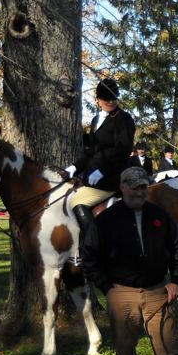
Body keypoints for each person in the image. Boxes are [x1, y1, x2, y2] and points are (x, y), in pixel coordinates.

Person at [82, 166, 178, 355]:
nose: (140, 191)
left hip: (156, 290)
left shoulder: (160, 216)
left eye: (144, 186)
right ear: (123, 187)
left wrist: (176, 281)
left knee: (169, 346)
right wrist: (106, 287)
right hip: (122, 292)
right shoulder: (105, 220)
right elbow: (89, 255)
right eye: (135, 186)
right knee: (125, 349)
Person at [65, 78, 136, 265]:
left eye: (113, 98)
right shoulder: (97, 120)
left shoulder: (124, 119)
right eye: (106, 98)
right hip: (92, 175)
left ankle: (94, 250)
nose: (110, 101)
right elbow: (91, 152)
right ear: (98, 99)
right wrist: (74, 167)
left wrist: (103, 171)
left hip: (113, 176)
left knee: (77, 201)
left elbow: (123, 149)